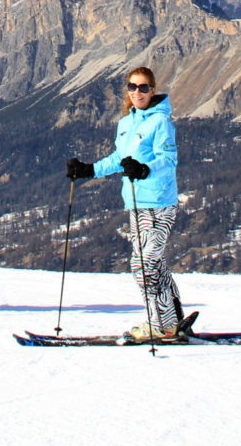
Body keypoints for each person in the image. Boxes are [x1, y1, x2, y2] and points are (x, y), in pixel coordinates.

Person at [65, 66, 184, 340]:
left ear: (153, 90)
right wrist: (88, 170)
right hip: (135, 203)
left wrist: (144, 169)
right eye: (132, 87)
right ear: (127, 90)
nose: (137, 92)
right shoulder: (126, 124)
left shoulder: (161, 122)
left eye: (143, 88)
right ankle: (171, 320)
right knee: (152, 264)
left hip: (158, 202)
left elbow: (168, 160)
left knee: (143, 265)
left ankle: (160, 325)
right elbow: (118, 159)